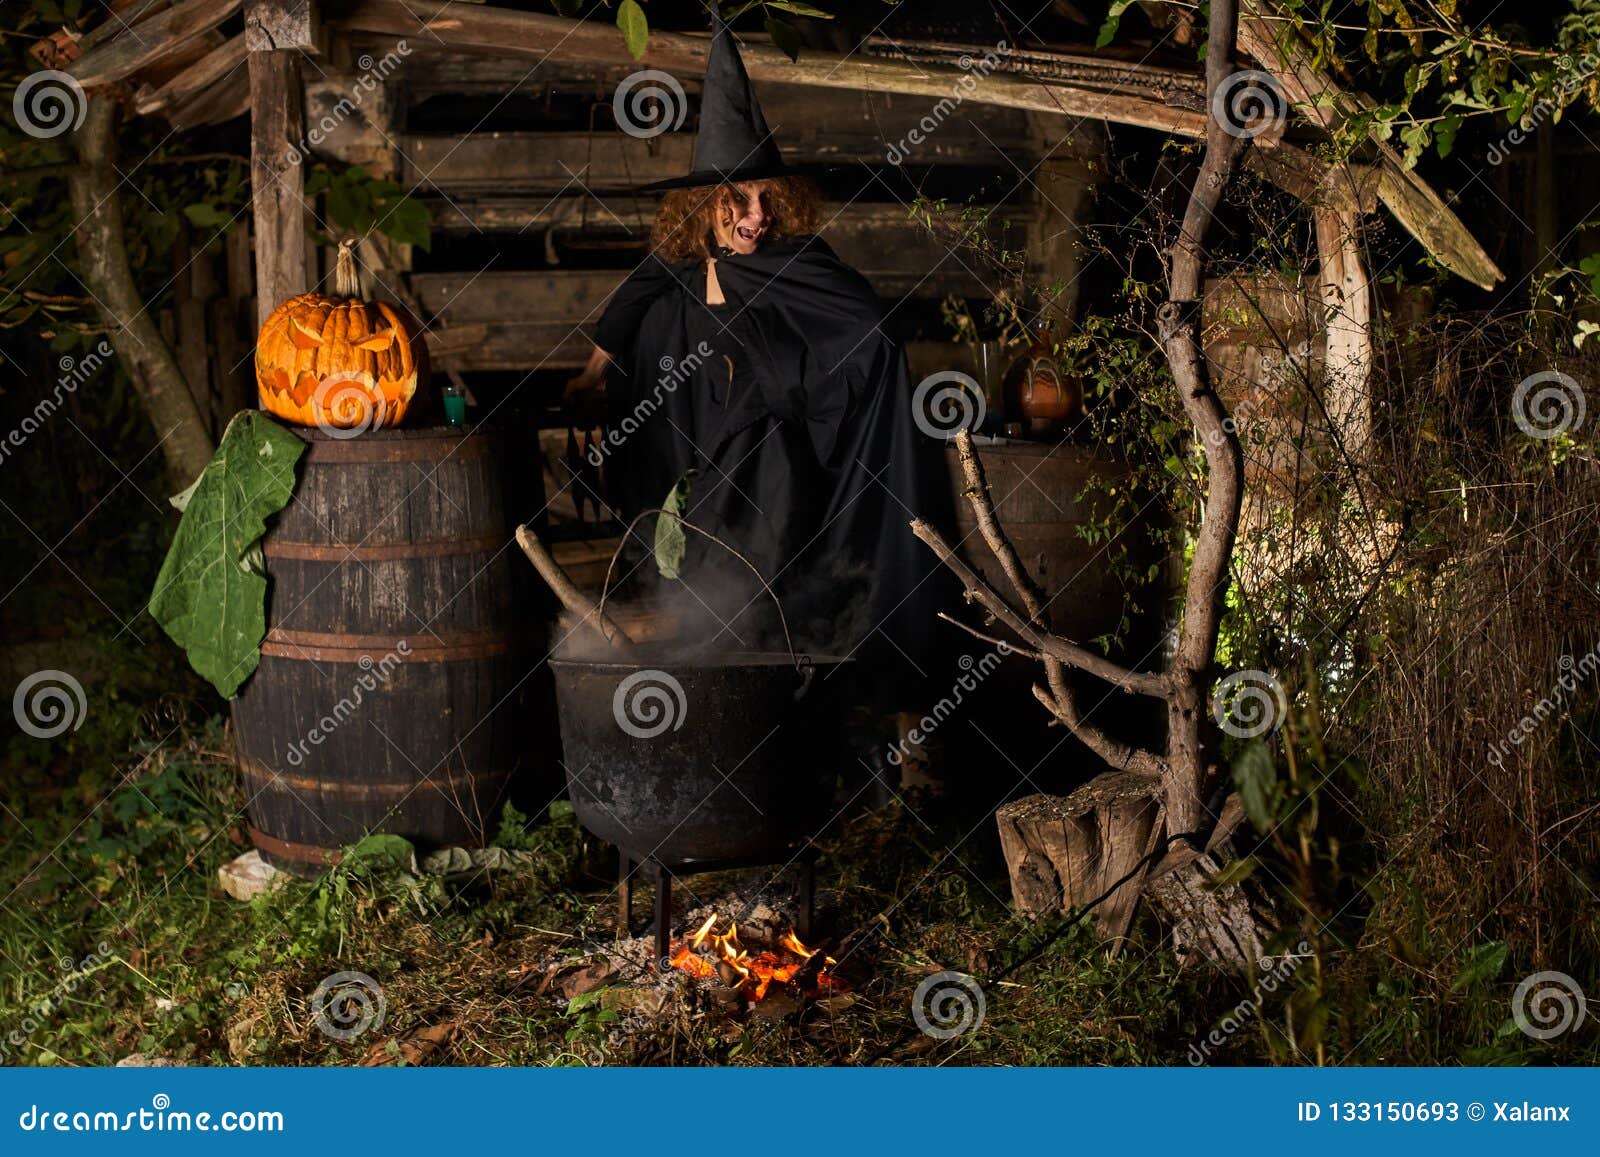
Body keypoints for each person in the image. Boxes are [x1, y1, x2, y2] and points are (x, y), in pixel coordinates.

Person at [566, 16, 949, 694]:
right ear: (702, 204)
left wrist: (781, 386)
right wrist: (599, 366)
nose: (756, 214)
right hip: (703, 481)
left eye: (767, 196)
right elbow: (639, 291)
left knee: (771, 615)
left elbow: (869, 334)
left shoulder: (795, 266)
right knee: (701, 614)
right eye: (735, 198)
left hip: (778, 482)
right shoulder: (679, 273)